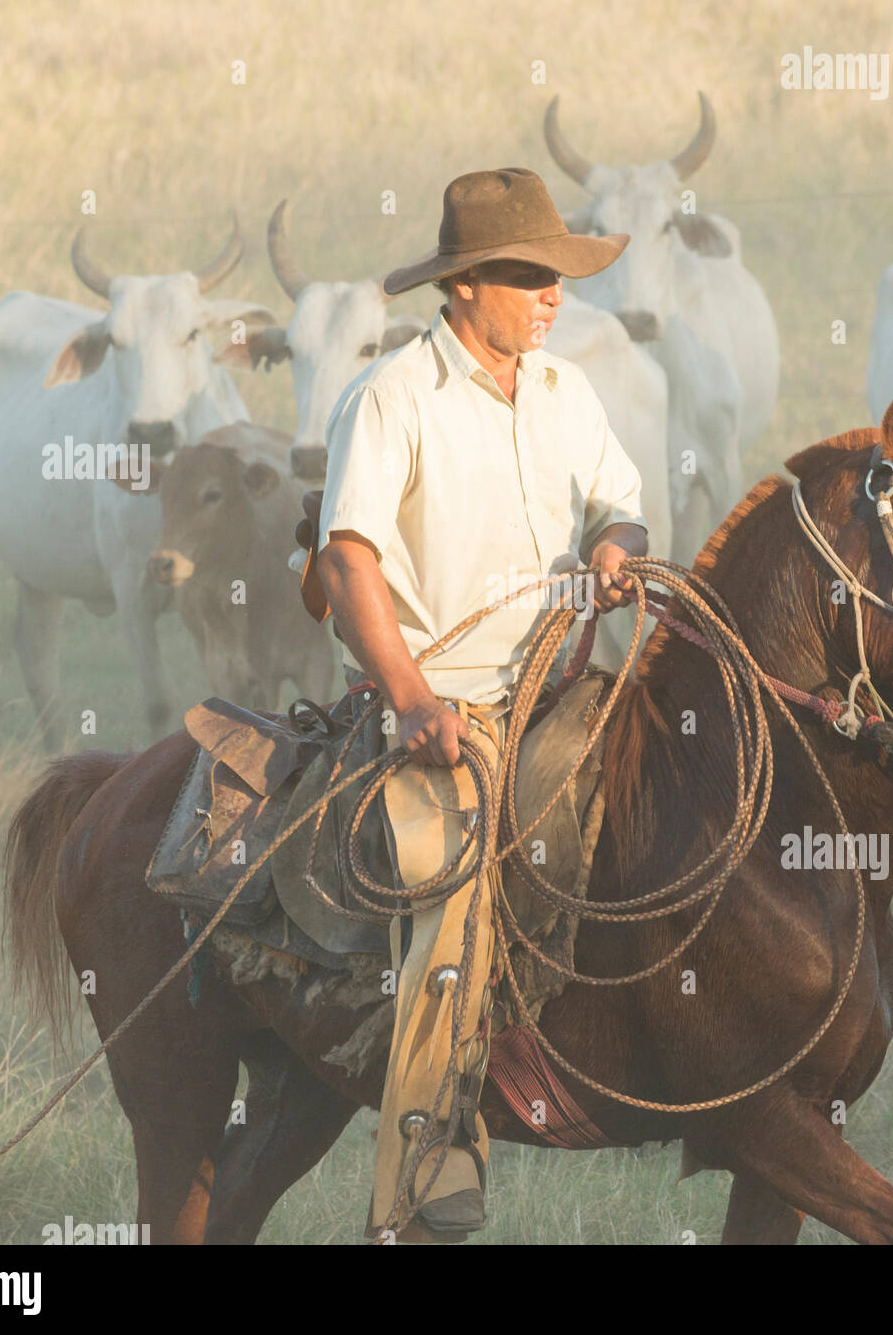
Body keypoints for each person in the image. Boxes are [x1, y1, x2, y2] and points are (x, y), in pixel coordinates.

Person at [306, 166, 648, 1238]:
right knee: (451, 890)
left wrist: (614, 546)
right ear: (463, 290)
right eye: (529, 275)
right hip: (439, 707)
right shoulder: (391, 397)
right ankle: (423, 1185)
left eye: (558, 275)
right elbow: (349, 556)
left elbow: (621, 502)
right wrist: (410, 700)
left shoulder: (565, 390)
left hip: (557, 687)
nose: (553, 294)